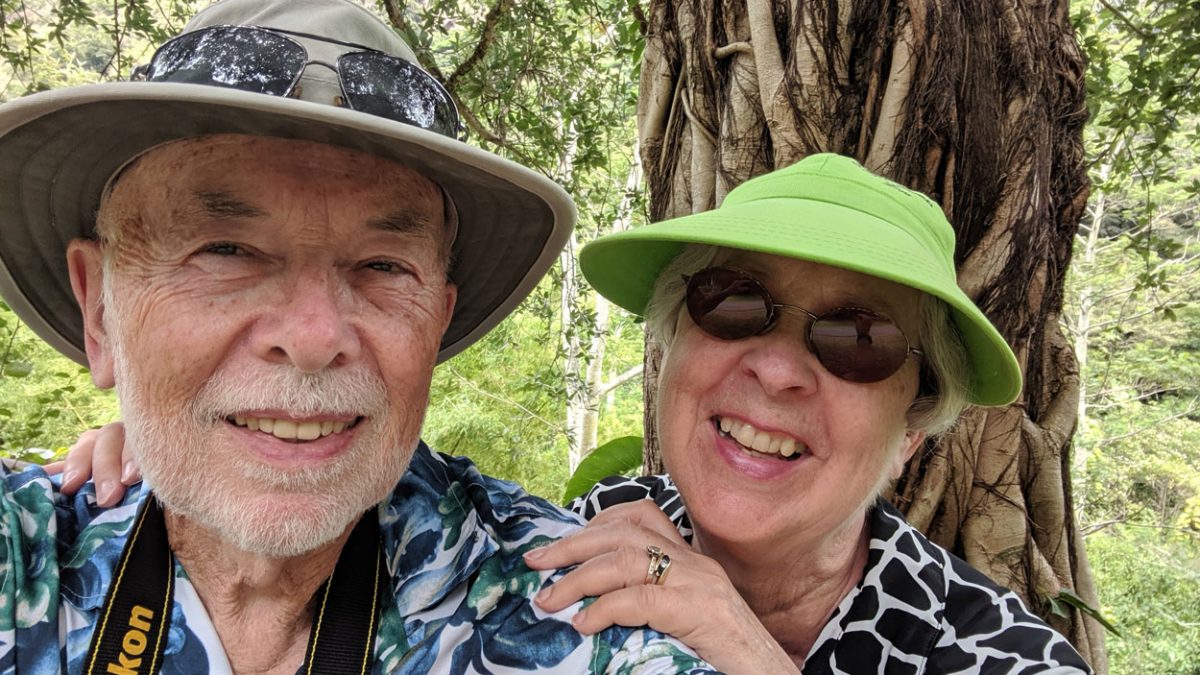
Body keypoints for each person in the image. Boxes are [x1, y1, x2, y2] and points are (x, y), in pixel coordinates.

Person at [63, 156, 1096, 672]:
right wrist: (192, 447)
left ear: (912, 427)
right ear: (670, 351)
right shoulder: (604, 534)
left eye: (856, 340)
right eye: (732, 305)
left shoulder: (996, 652)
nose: (777, 372)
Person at [0, 0, 715, 672]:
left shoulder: (566, 602)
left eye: (382, 265)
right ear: (100, 310)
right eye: (226, 250)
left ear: (436, 318)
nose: (314, 339)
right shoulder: (23, 557)